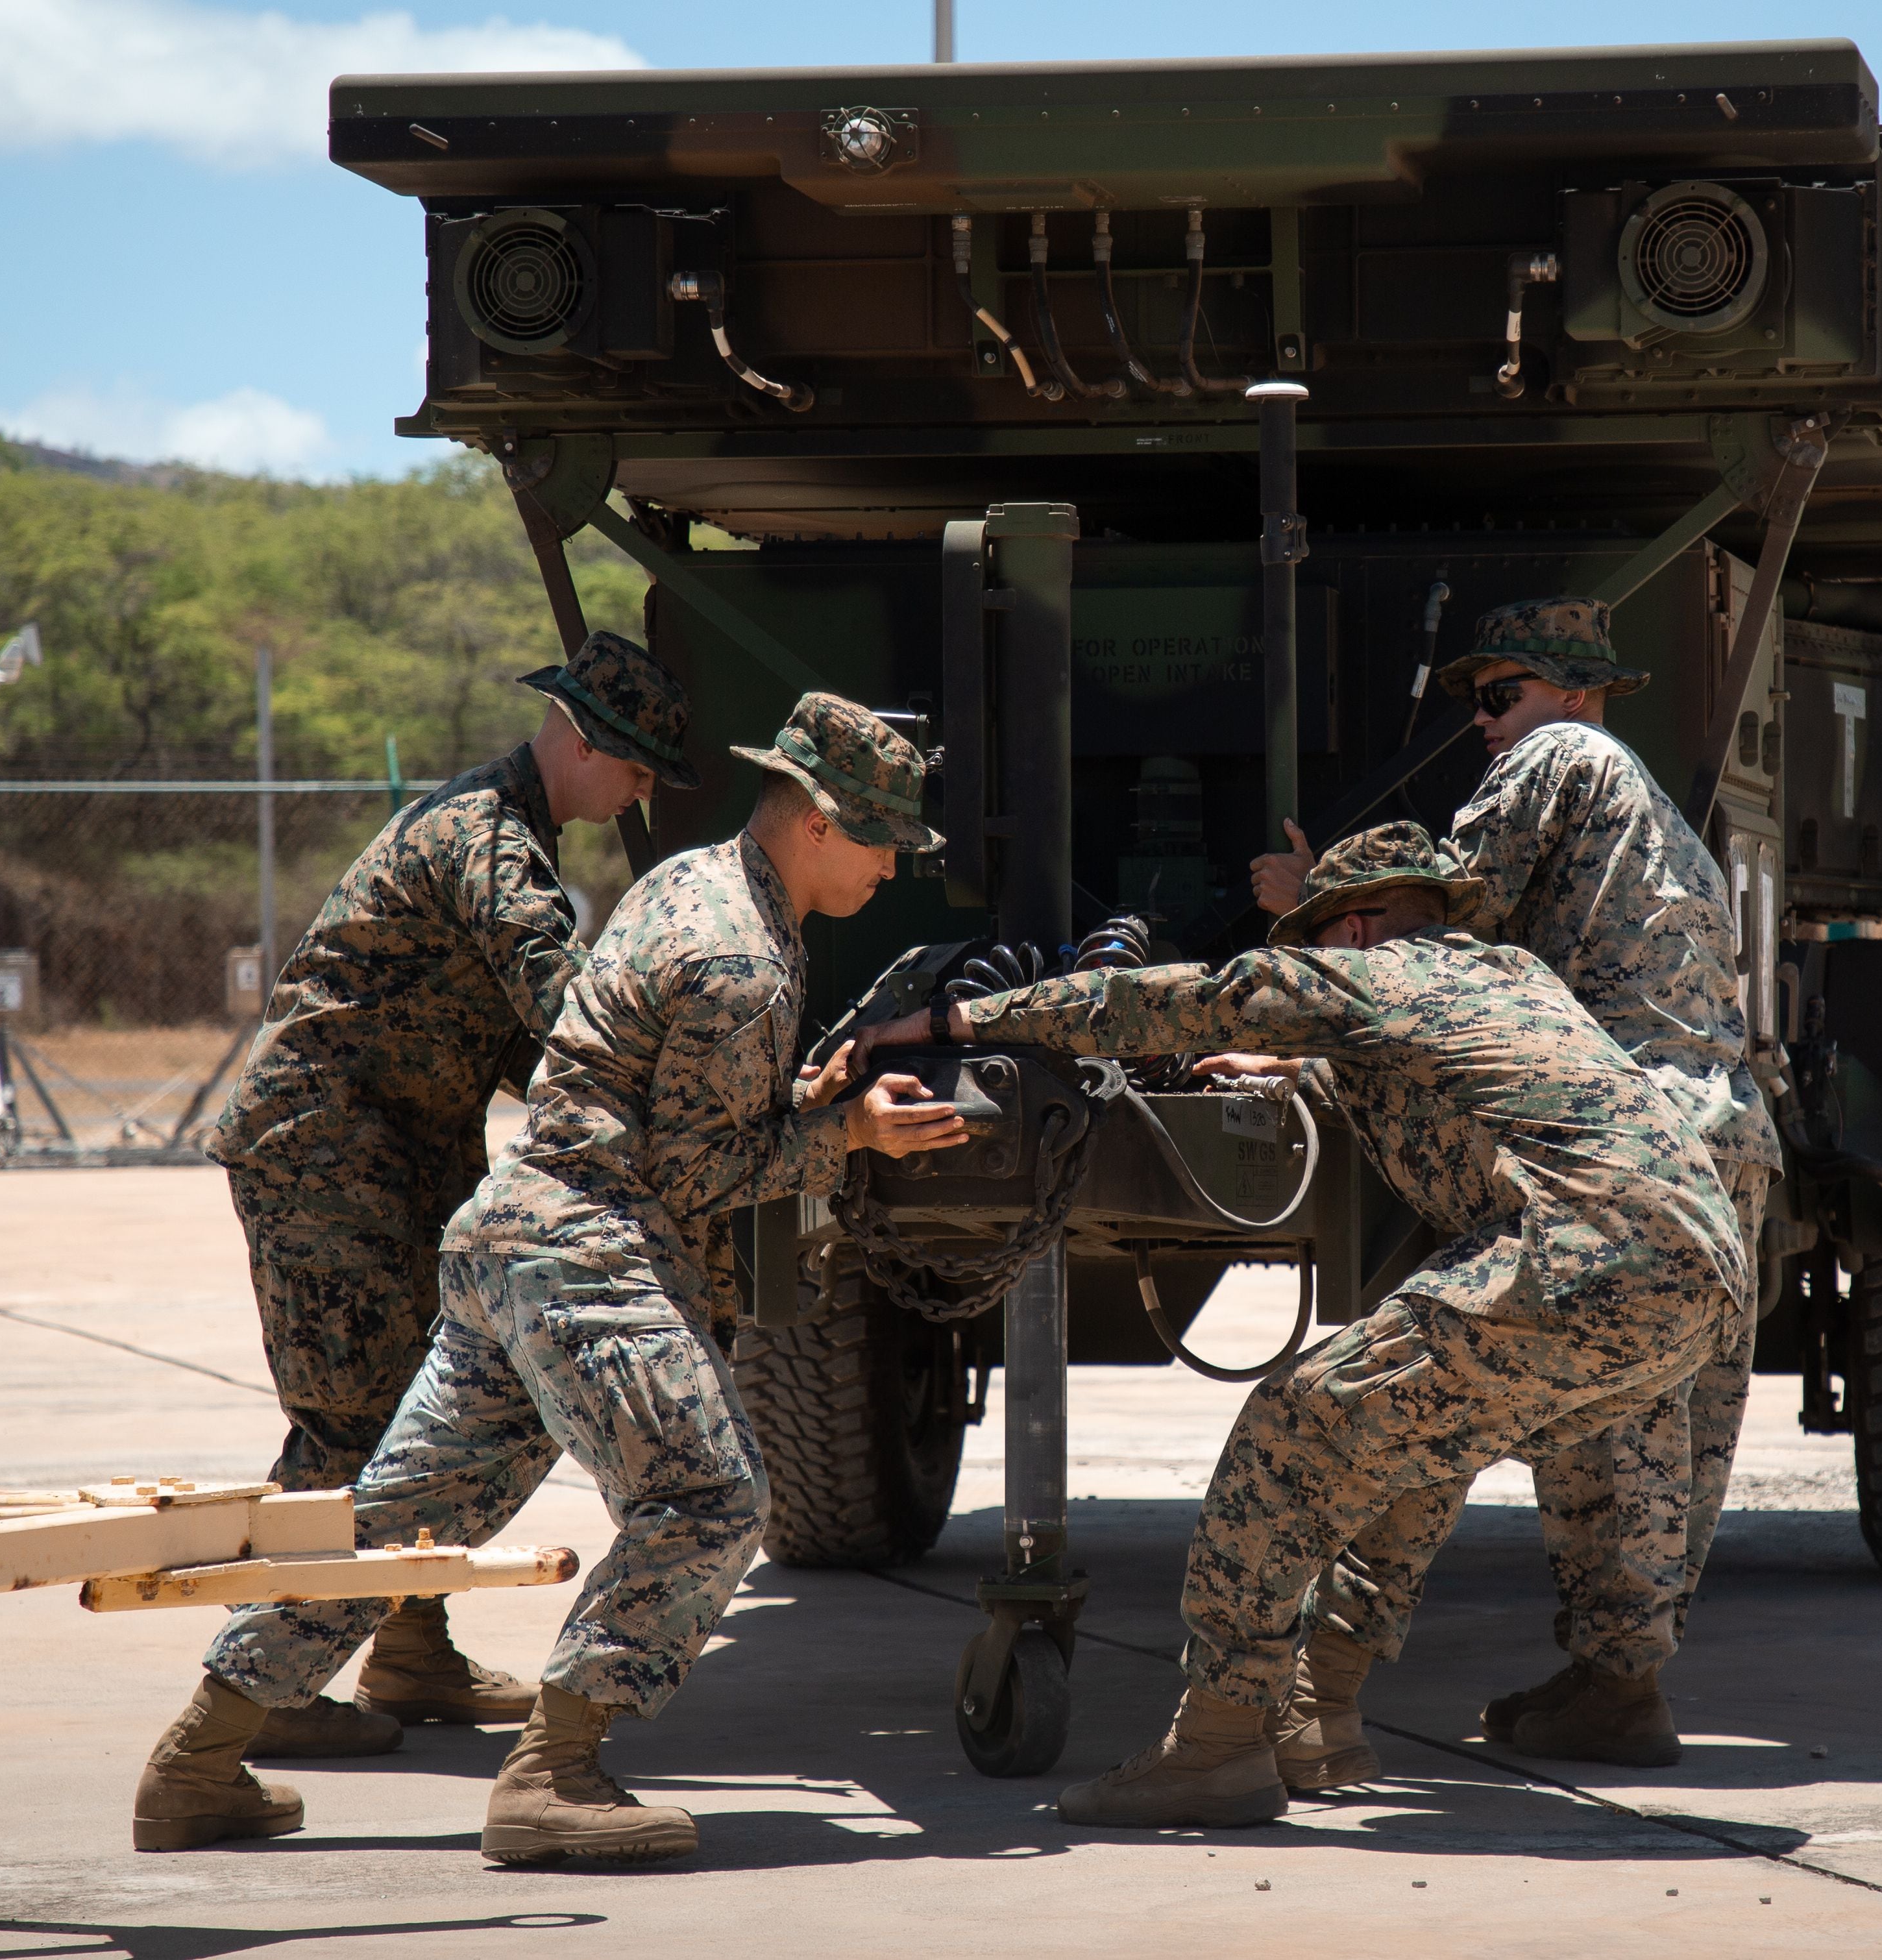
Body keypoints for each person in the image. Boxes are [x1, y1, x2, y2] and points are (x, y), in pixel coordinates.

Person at [135, 692, 966, 1863]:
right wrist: (855, 1138)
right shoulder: (743, 958)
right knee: (711, 1500)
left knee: (397, 1525)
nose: (895, 868)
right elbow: (698, 1167)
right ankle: (555, 1777)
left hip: (504, 1245)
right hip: (587, 1252)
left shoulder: (691, 880)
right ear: (821, 822)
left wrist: (804, 1105)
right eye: (885, 839)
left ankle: (195, 1764)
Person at [865, 822, 1746, 1830]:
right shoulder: (1506, 976)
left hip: (1585, 1253)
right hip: (1697, 1278)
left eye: (1311, 944)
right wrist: (1304, 1067)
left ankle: (1218, 1744)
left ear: (1355, 925)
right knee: (1416, 1442)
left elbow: (1169, 998)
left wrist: (956, 1019)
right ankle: (1348, 1710)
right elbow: (1429, 1066)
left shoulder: (1376, 973)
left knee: (1287, 1433)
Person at [1249, 594, 1780, 1771]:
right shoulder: (1638, 808)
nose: (1485, 723)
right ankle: (1618, 1683)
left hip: (1631, 1136)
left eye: (1501, 695)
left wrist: (1313, 913)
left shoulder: (1561, 756)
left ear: (1572, 695)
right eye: (1480, 704)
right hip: (1719, 1129)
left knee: (1548, 1411)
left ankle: (1575, 1684)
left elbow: (1455, 911)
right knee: (1664, 1431)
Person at [201, 628, 690, 1757]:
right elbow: (559, 999)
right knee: (345, 1421)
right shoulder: (489, 844)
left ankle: (411, 1653)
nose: (637, 795)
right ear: (574, 740)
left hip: (395, 1155)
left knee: (418, 1415)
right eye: (633, 768)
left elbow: (525, 1046)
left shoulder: (503, 831)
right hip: (325, 1157)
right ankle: (260, 1687)